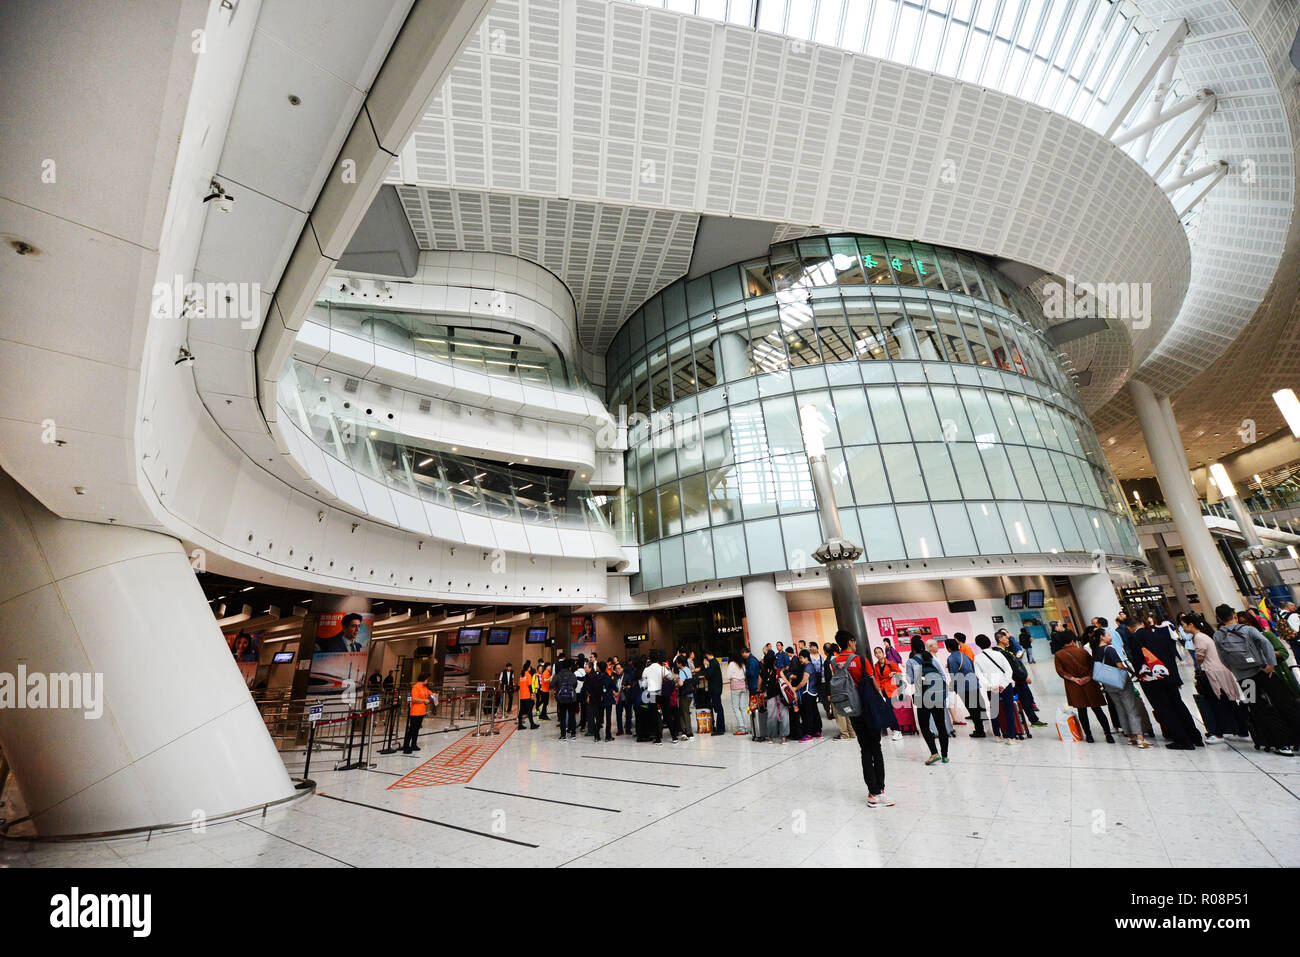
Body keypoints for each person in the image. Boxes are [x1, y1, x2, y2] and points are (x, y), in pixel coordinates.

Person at [1212, 604, 1298, 755]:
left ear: (1219, 619)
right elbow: (1265, 644)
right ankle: (1296, 738)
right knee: (1284, 702)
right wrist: (1271, 664)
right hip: (1264, 672)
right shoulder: (1248, 629)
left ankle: (1280, 745)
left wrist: (1236, 671)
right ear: (1235, 616)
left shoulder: (1218, 636)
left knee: (1259, 708)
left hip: (1244, 679)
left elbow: (1223, 658)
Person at [832, 631, 893, 807]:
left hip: (852, 709)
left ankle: (871, 791)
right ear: (850, 641)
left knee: (864, 748)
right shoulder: (860, 660)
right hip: (868, 707)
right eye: (854, 641)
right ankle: (878, 791)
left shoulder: (834, 662)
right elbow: (872, 682)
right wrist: (881, 699)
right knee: (876, 747)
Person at [1134, 614, 1203, 749]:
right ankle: (1195, 737)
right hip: (1170, 676)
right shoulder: (1161, 634)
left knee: (1166, 709)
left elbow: (1137, 661)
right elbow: (1172, 656)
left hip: (1154, 680)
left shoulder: (1137, 637)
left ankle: (1182, 740)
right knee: (1179, 705)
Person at [1180, 612, 1246, 743]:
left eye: (1183, 625)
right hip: (1221, 671)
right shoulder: (1206, 635)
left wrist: (1198, 664)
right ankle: (1242, 730)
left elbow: (1199, 655)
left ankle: (1218, 733)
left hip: (1212, 673)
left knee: (1216, 703)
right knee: (1229, 702)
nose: (1182, 628)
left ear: (1191, 625)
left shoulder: (1198, 637)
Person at [1089, 629, 1149, 748]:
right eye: (1108, 635)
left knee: (1120, 709)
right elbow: (1119, 666)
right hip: (1121, 682)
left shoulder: (1095, 651)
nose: (1110, 637)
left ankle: (1130, 737)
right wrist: (1128, 672)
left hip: (1108, 684)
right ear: (1102, 637)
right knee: (1131, 709)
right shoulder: (1110, 649)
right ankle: (1140, 739)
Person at [1054, 635, 1113, 743]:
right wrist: (1088, 677)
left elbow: (1060, 672)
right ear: (1072, 641)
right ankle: (1108, 735)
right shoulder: (1083, 652)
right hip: (1089, 684)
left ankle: (1089, 736)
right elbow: (1093, 666)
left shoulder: (1058, 655)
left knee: (1082, 711)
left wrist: (1074, 679)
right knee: (1098, 710)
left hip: (1074, 686)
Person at [905, 637, 949, 764]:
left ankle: (934, 753)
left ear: (912, 649)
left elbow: (910, 680)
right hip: (937, 694)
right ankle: (945, 756)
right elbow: (942, 674)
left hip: (922, 695)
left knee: (924, 726)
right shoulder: (931, 658)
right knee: (941, 725)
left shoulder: (911, 661)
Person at [995, 631, 1046, 728]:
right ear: (1000, 639)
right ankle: (1030, 721)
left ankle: (1033, 720)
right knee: (1024, 700)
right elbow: (1012, 668)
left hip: (1016, 679)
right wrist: (1024, 677)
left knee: (1025, 700)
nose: (1008, 638)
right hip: (1015, 680)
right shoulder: (1001, 652)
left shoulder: (1005, 650)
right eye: (1006, 637)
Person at [974, 634, 1015, 743]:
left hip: (991, 688)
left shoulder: (977, 658)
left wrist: (991, 686)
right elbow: (1009, 670)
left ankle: (997, 735)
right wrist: (1003, 684)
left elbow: (979, 675)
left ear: (978, 645)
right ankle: (1011, 737)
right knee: (1009, 711)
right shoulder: (998, 654)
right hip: (1005, 686)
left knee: (994, 712)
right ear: (989, 642)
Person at [946, 638, 984, 737]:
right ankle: (980, 729)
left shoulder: (951, 658)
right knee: (977, 707)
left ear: (948, 648)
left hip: (965, 687)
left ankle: (980, 731)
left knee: (972, 709)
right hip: (974, 683)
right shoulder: (964, 656)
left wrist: (954, 688)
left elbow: (954, 675)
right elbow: (973, 668)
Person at [871, 646, 904, 740]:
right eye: (876, 653)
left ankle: (898, 731)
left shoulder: (891, 663)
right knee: (886, 710)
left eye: (879, 652)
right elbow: (877, 679)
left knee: (889, 709)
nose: (878, 654)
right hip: (883, 690)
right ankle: (896, 730)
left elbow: (899, 672)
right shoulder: (876, 665)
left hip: (892, 689)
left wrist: (894, 673)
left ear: (883, 653)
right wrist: (879, 691)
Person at [792, 649, 823, 741]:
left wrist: (795, 688)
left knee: (807, 714)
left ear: (806, 658)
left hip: (807, 693)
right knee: (814, 712)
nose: (800, 660)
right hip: (813, 693)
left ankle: (808, 733)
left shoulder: (807, 667)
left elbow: (803, 682)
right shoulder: (811, 666)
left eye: (801, 658)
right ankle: (817, 731)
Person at [762, 651, 790, 743]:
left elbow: (759, 686)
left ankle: (771, 737)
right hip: (781, 696)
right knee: (784, 715)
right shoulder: (778, 671)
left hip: (770, 697)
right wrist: (793, 692)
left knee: (771, 716)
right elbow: (786, 682)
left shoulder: (763, 672)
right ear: (774, 661)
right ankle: (783, 737)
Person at [641, 650, 667, 744]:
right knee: (663, 712)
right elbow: (670, 677)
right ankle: (670, 735)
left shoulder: (646, 669)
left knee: (654, 714)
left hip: (652, 694)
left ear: (650, 659)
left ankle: (657, 736)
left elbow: (643, 684)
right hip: (661, 693)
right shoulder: (662, 668)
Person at [402, 673, 431, 753]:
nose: (428, 681)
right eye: (427, 679)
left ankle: (414, 744)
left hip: (421, 712)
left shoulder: (424, 687)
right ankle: (406, 746)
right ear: (423, 679)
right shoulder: (416, 687)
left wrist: (434, 694)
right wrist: (424, 701)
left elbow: (429, 692)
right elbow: (414, 699)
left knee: (417, 729)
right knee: (412, 729)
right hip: (415, 712)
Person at [552, 659, 578, 741]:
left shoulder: (558, 675)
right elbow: (575, 685)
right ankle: (573, 734)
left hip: (562, 699)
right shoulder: (572, 675)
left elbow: (551, 684)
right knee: (572, 716)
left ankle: (563, 735)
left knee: (562, 717)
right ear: (570, 667)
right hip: (571, 699)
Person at [703, 651, 725, 735]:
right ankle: (720, 727)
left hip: (715, 689)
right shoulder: (715, 662)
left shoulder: (713, 663)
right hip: (717, 688)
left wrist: (706, 666)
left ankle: (720, 729)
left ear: (708, 655)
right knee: (718, 708)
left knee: (718, 708)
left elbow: (708, 676)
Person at [726, 655, 748, 735]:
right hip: (743, 686)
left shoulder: (731, 664)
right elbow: (745, 674)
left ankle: (741, 727)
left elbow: (728, 676)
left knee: (736, 708)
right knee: (743, 707)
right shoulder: (742, 664)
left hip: (735, 687)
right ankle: (745, 727)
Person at [675, 654, 695, 740]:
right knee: (685, 712)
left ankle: (688, 732)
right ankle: (686, 730)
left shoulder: (681, 671)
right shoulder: (687, 669)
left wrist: (677, 683)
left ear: (680, 663)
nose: (676, 664)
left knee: (684, 713)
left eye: (677, 663)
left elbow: (681, 683)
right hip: (690, 694)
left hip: (684, 695)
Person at [517, 663, 538, 730]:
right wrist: (532, 693)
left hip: (522, 696)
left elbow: (519, 685)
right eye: (529, 667)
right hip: (527, 696)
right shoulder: (528, 675)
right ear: (528, 668)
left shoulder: (521, 675)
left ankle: (520, 725)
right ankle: (532, 725)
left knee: (521, 711)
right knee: (529, 710)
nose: (530, 669)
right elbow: (530, 686)